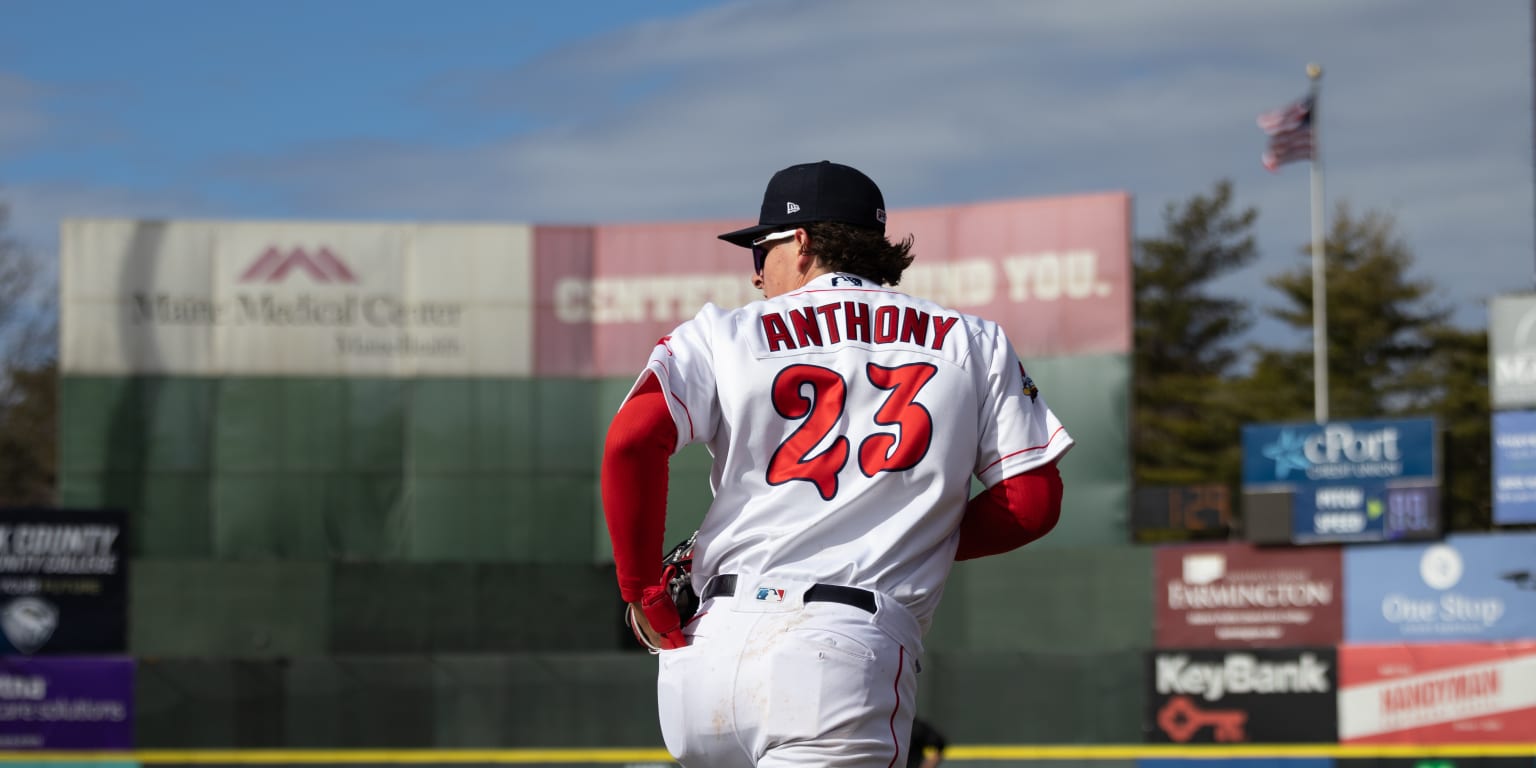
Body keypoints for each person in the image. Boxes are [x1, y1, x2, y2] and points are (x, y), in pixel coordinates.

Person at [601, 160, 1073, 768]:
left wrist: (642, 589)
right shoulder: (970, 340)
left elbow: (632, 441)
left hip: (706, 656)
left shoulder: (721, 332)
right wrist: (914, 531)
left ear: (800, 244)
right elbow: (1032, 505)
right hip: (840, 654)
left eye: (759, 252)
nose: (755, 275)